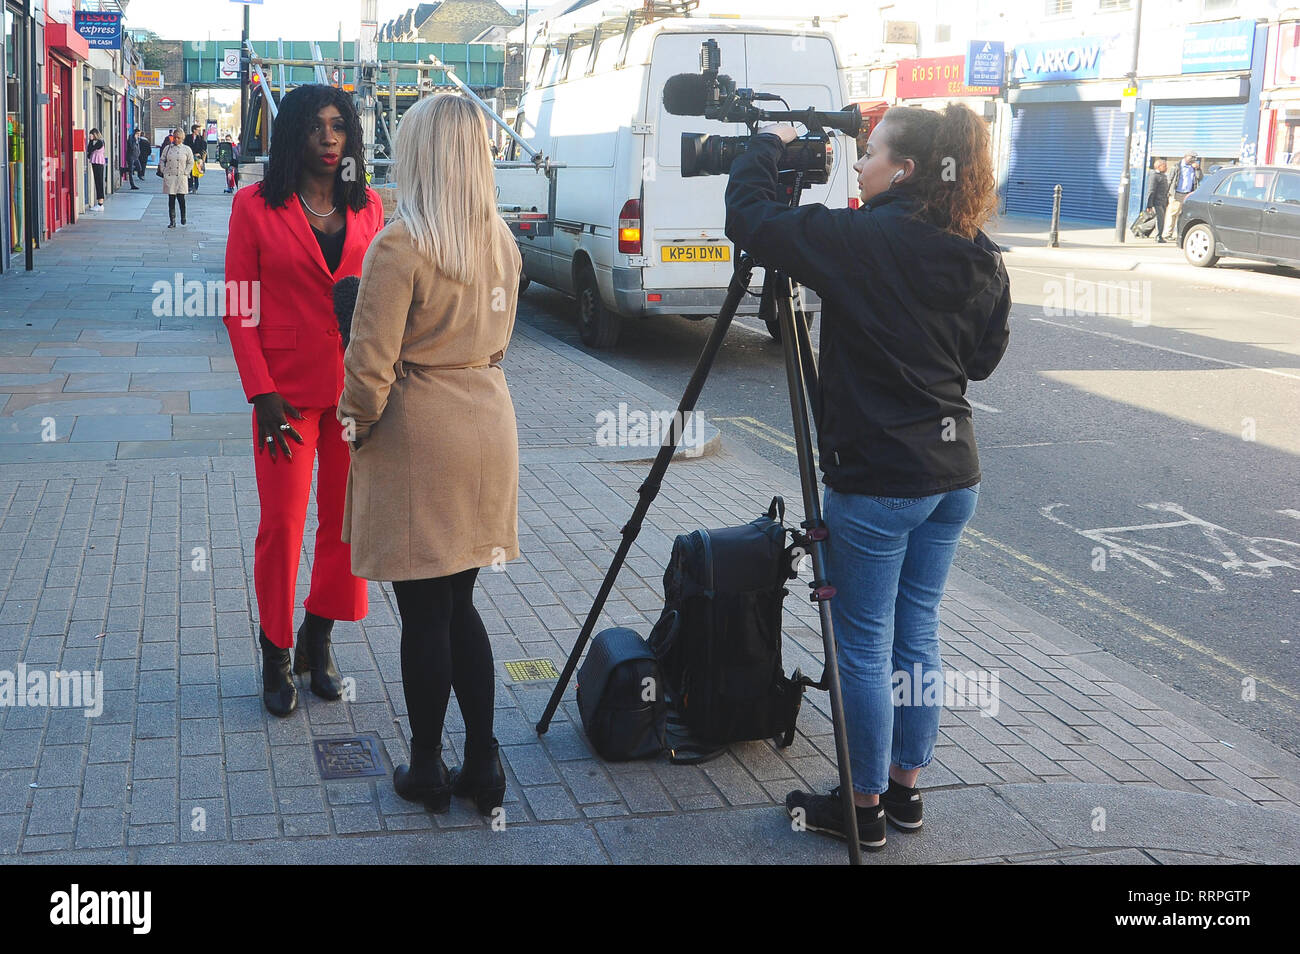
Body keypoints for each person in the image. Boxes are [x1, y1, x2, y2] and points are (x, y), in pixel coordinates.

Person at [724, 105, 1010, 851]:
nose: (858, 163)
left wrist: (768, 146)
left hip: (881, 483)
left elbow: (751, 219)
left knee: (861, 644)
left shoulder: (863, 241)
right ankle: (906, 793)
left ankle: (861, 806)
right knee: (917, 633)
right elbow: (979, 361)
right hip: (954, 480)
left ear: (905, 169)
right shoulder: (979, 252)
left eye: (871, 154)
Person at [338, 93, 522, 816]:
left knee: (423, 612)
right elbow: (503, 341)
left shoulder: (402, 243)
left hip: (422, 434)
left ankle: (426, 767)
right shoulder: (500, 239)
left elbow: (369, 365)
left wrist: (356, 426)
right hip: (487, 418)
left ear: (421, 156)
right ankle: (484, 761)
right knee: (462, 602)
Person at [224, 84, 384, 717]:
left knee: (346, 524)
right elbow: (240, 309)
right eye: (316, 126)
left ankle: (318, 637)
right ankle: (276, 651)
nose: (328, 136)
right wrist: (260, 392)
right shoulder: (254, 207)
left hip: (352, 394)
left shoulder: (369, 206)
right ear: (293, 135)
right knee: (283, 527)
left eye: (339, 126)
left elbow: (378, 302)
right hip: (284, 400)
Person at [1163, 151, 1202, 242]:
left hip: (1188, 194)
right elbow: (1170, 179)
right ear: (1185, 157)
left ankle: (1179, 234)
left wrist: (1198, 169)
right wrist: (1167, 192)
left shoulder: (1194, 168)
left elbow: (1200, 178)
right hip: (1177, 193)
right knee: (1172, 213)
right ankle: (1167, 234)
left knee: (1183, 214)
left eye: (1194, 158)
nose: (1193, 159)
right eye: (1191, 157)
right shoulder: (1177, 166)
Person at [158, 130, 194, 227]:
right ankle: (172, 221)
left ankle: (183, 216)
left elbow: (191, 162)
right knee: (171, 199)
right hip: (170, 176)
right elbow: (162, 160)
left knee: (181, 199)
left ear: (182, 138)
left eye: (178, 138)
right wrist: (163, 170)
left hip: (181, 177)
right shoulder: (168, 148)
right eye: (175, 137)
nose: (176, 139)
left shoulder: (187, 149)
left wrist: (186, 172)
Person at [1145, 159, 1169, 243]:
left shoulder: (1163, 176)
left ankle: (1143, 229)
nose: (1166, 167)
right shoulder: (1154, 176)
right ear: (1159, 166)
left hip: (1163, 201)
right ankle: (1158, 236)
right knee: (1160, 219)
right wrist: (1149, 205)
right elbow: (1151, 191)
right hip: (1157, 202)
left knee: (1159, 219)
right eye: (1164, 166)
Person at [87, 128, 107, 210]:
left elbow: (90, 149)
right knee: (97, 181)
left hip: (98, 163)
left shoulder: (99, 142)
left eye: (91, 135)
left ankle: (100, 204)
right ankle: (100, 203)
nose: (90, 136)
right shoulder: (97, 142)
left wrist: (91, 141)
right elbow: (89, 150)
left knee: (99, 182)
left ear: (95, 134)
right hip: (95, 163)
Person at [185, 124, 205, 193]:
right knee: (189, 172)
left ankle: (195, 187)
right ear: (194, 130)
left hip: (197, 158)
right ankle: (190, 186)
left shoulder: (201, 138)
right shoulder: (188, 137)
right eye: (198, 130)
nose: (199, 131)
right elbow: (186, 146)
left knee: (196, 172)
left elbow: (203, 147)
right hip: (189, 157)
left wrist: (199, 153)